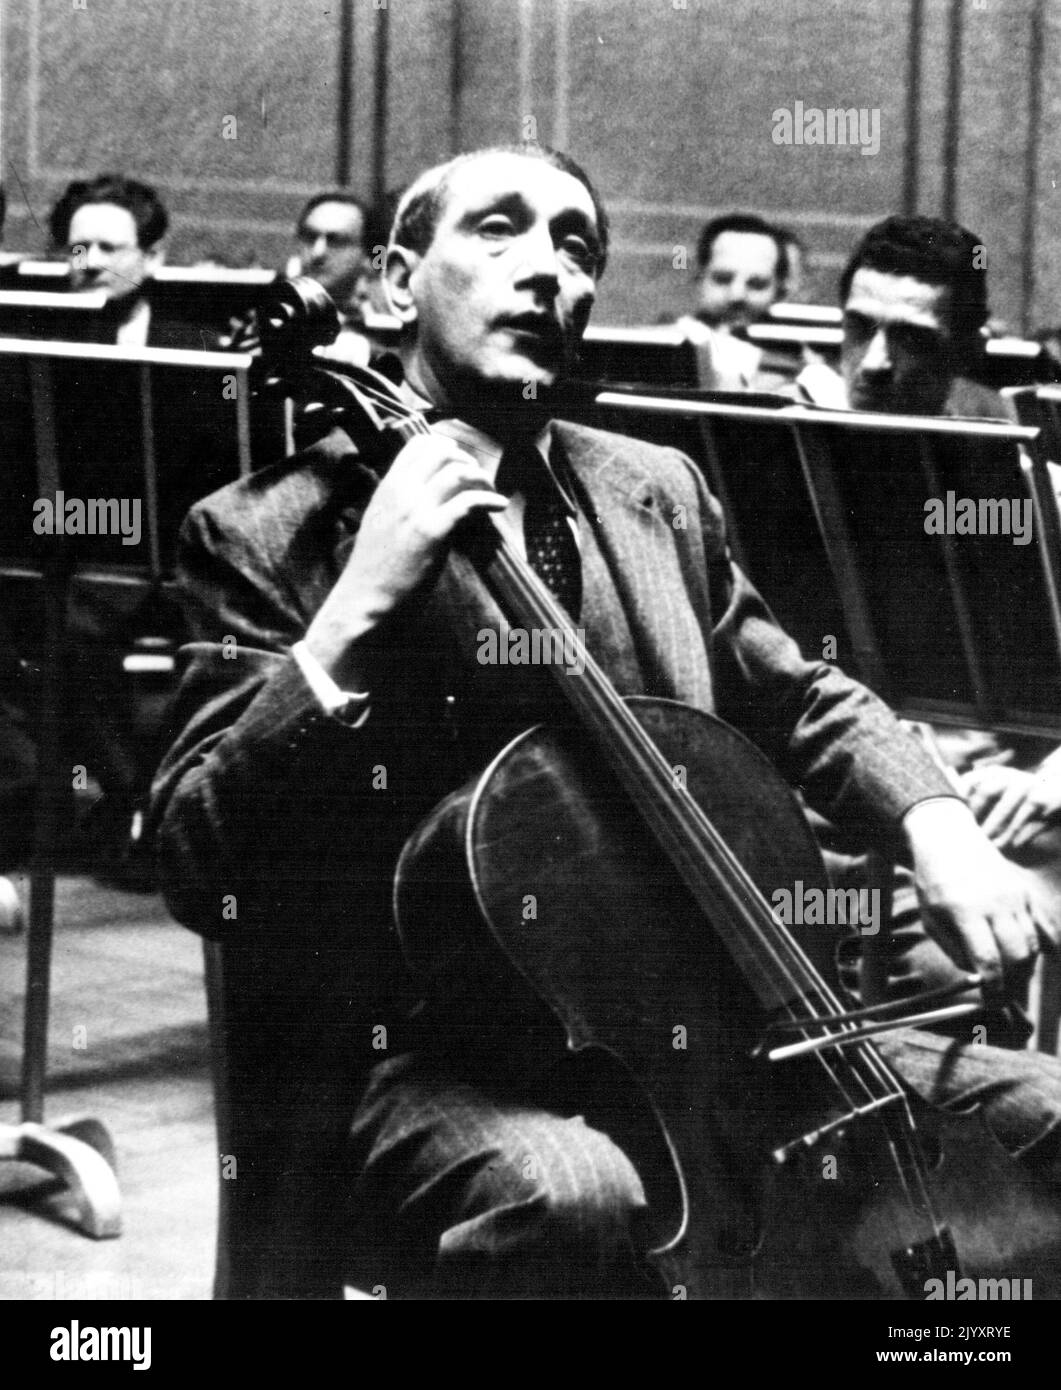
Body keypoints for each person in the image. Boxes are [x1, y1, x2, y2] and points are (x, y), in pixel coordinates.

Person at [151, 145, 1061, 1299]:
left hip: (714, 1020)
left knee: (1043, 1110)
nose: (545, 270)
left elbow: (795, 694)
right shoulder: (263, 534)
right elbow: (190, 848)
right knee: (569, 1189)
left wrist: (935, 821)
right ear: (391, 286)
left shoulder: (655, 490)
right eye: (496, 229)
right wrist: (345, 627)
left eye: (574, 246)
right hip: (424, 1054)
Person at [790, 214, 1061, 1041]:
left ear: (962, 351)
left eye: (909, 339)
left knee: (948, 968)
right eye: (858, 329)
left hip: (990, 817)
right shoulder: (778, 473)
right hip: (821, 811)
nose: (874, 363)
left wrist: (1048, 780)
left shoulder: (1038, 490)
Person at [48, 173, 208, 350]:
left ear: (151, 258)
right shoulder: (43, 337)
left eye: (109, 248)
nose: (91, 263)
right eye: (79, 250)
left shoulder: (193, 345)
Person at [221, 189, 378, 365]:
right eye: (310, 237)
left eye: (336, 241)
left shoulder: (386, 322)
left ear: (367, 255)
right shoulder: (260, 318)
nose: (318, 253)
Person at [671, 212, 792, 390]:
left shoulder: (800, 366)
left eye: (757, 284)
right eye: (722, 279)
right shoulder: (667, 346)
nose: (737, 295)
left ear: (780, 293)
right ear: (698, 279)